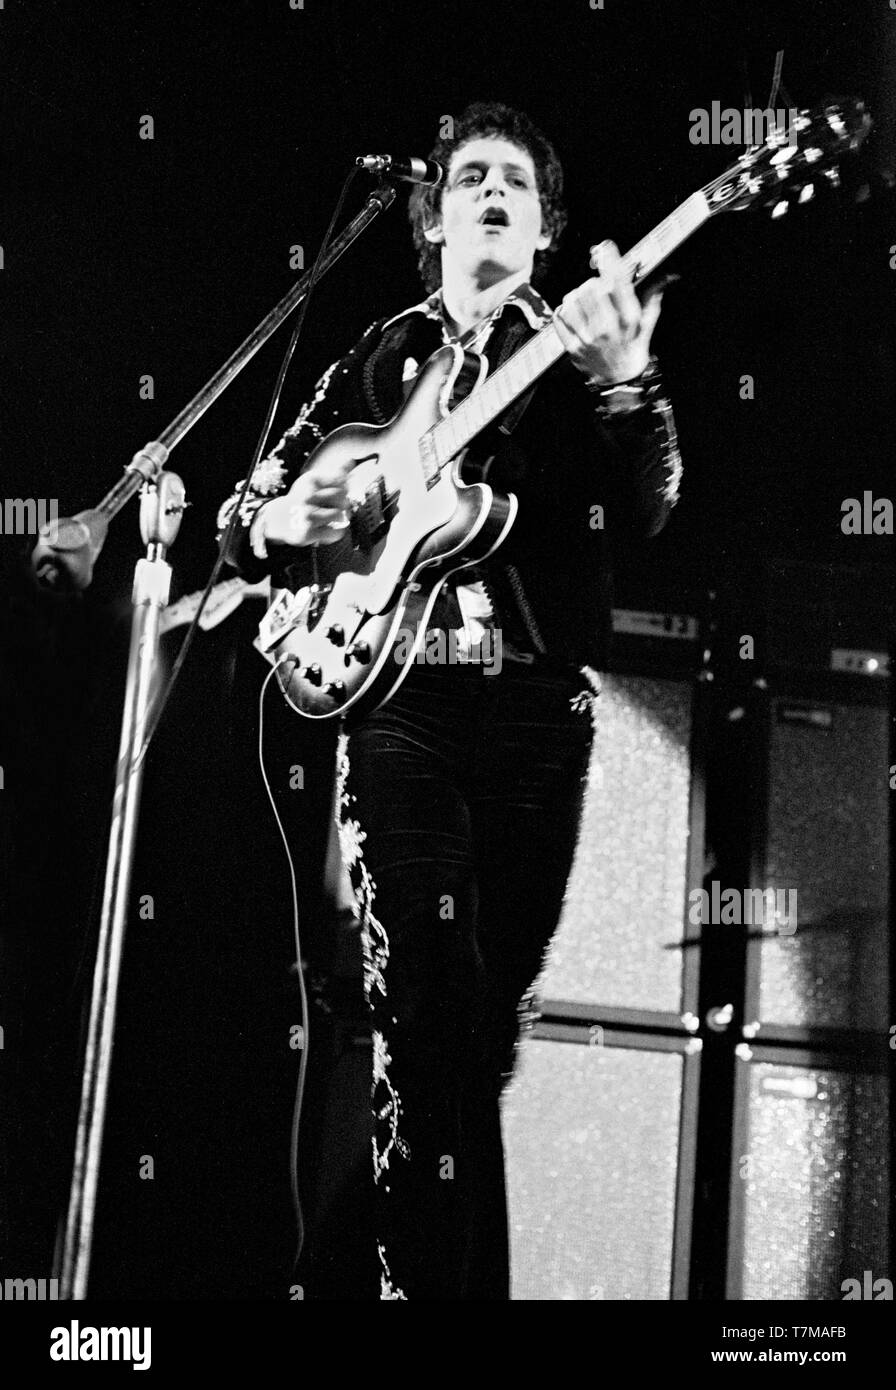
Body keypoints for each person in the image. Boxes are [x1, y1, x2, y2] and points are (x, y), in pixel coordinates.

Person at [216, 101, 682, 1300]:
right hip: (401, 704)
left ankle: (350, 1272)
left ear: (541, 230)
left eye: (514, 185)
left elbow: (645, 509)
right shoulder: (376, 356)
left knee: (473, 1047)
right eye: (468, 176)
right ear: (429, 218)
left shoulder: (578, 345)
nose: (488, 192)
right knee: (418, 1010)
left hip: (534, 713)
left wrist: (628, 382)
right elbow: (248, 503)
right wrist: (275, 520)